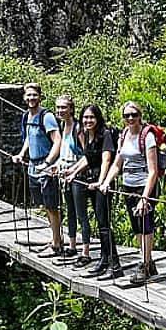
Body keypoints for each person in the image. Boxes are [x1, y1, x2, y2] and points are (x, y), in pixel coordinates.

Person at [102, 101, 160, 284]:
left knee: (146, 225)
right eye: (126, 115)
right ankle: (148, 262)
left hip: (144, 185)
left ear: (140, 115)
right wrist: (106, 182)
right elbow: (118, 163)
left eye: (133, 115)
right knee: (136, 225)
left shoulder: (147, 136)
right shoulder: (124, 135)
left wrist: (145, 197)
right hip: (128, 185)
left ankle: (144, 265)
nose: (130, 118)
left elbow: (153, 171)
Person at [63, 103, 121, 278]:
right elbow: (88, 158)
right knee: (100, 223)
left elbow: (106, 160)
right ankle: (104, 261)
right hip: (93, 183)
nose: (88, 120)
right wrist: (73, 172)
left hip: (103, 185)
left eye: (91, 117)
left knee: (105, 225)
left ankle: (115, 265)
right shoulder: (88, 134)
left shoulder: (106, 134)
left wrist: (101, 182)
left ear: (98, 118)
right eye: (85, 117)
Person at [10, 82, 66, 257]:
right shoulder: (27, 116)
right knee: (44, 205)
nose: (31, 98)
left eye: (34, 95)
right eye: (28, 95)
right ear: (24, 98)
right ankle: (56, 237)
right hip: (33, 167)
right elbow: (29, 138)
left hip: (46, 168)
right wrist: (21, 154)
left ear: (40, 96)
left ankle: (56, 244)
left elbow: (58, 140)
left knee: (52, 206)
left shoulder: (46, 116)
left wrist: (48, 162)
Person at [53, 94, 91, 266]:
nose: (60, 110)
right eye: (58, 107)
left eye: (64, 107)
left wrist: (74, 171)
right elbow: (63, 152)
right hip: (65, 174)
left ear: (71, 109)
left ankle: (86, 252)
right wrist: (57, 165)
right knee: (70, 211)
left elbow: (86, 154)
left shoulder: (78, 129)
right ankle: (72, 245)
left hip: (78, 175)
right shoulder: (63, 126)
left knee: (81, 213)